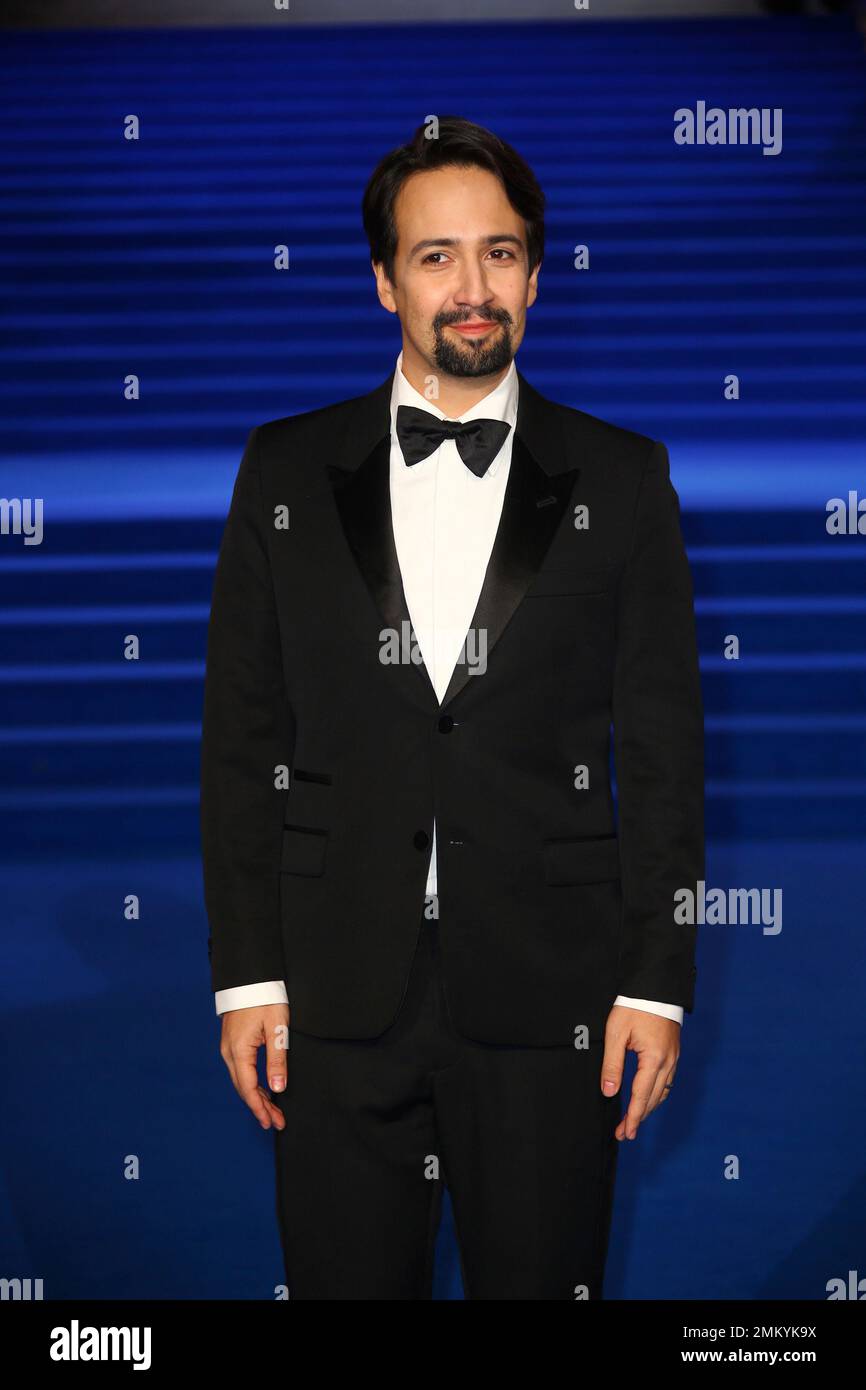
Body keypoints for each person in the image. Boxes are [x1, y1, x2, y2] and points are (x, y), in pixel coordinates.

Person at [200, 116, 704, 1300]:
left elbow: (665, 747)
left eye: (499, 253)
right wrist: (247, 979)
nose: (471, 289)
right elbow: (242, 742)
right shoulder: (280, 471)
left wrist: (652, 981)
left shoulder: (623, 478)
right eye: (435, 257)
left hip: (551, 996)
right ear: (383, 282)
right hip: (331, 994)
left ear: (533, 271)